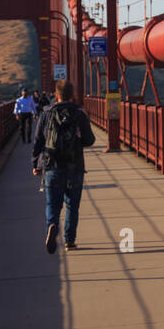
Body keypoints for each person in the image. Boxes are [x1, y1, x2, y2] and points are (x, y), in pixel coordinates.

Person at [32, 79, 97, 254]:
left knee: (52, 204)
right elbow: (90, 140)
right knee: (72, 205)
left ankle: (52, 224)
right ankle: (70, 241)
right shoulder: (79, 113)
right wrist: (77, 138)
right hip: (75, 166)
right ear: (72, 95)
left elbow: (38, 141)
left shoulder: (46, 114)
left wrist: (35, 164)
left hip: (52, 165)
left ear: (56, 94)